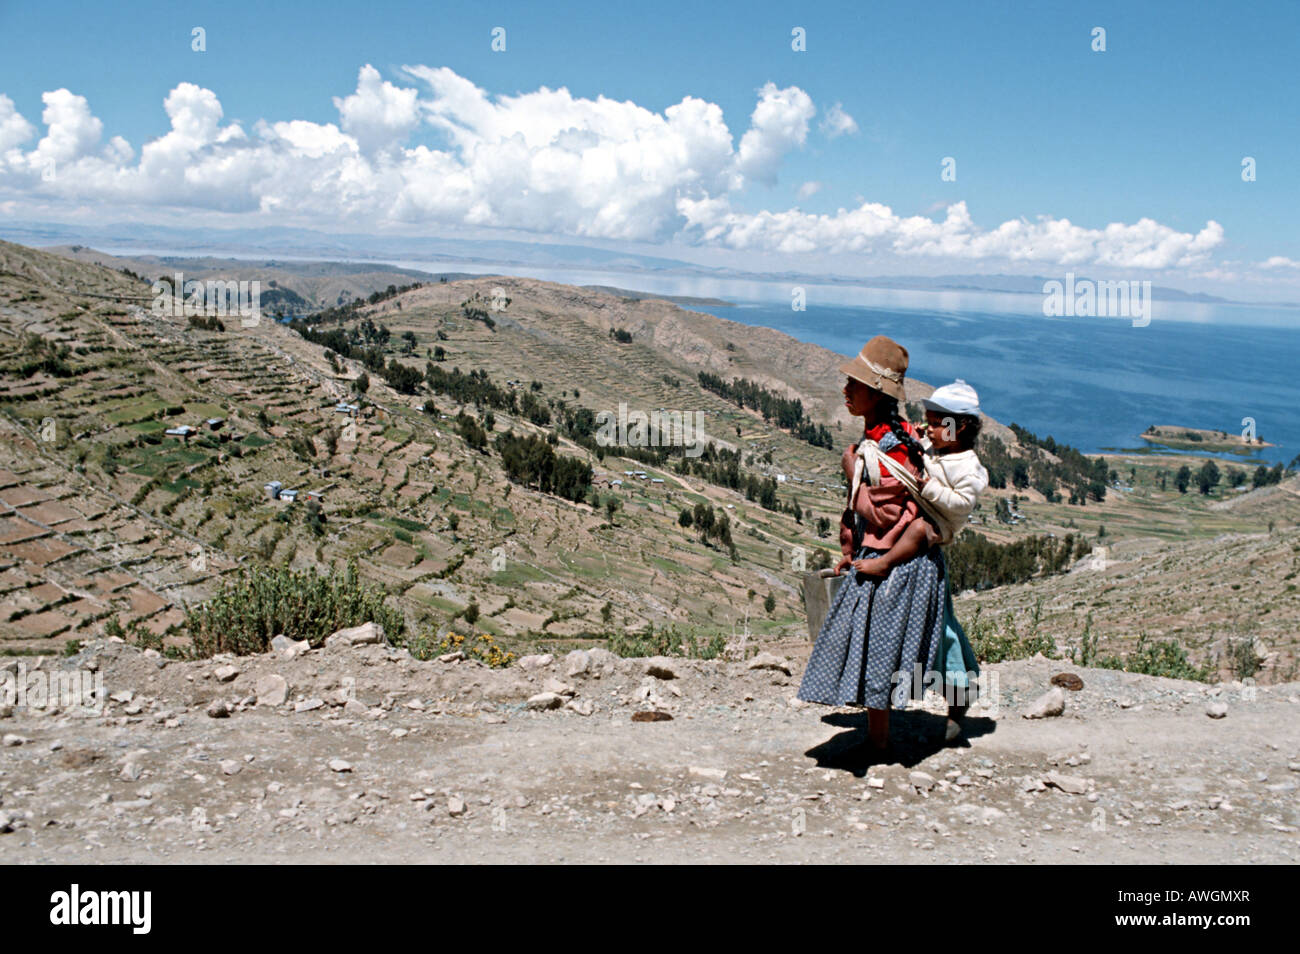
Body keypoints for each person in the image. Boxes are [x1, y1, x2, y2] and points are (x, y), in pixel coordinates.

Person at [796, 336, 946, 753]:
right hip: (874, 553)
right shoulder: (877, 441)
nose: (846, 391)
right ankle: (880, 736)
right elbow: (863, 513)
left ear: (877, 394)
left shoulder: (892, 448)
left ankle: (880, 743)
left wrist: (850, 470)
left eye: (855, 385)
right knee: (868, 643)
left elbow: (885, 515)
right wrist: (849, 548)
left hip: (894, 561)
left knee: (878, 648)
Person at [849, 379, 989, 741]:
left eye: (935, 421)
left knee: (941, 628)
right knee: (943, 628)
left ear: (959, 427)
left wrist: (924, 486)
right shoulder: (932, 446)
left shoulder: (968, 467)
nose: (926, 427)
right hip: (923, 520)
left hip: (937, 526)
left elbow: (960, 503)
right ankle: (959, 691)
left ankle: (957, 696)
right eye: (926, 420)